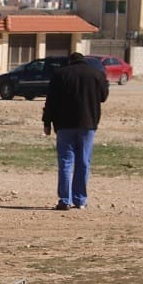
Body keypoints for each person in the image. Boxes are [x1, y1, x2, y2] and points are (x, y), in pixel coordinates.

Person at [41, 52, 108, 211]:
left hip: (64, 125)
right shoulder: (96, 74)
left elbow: (50, 101)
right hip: (87, 124)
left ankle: (65, 200)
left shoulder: (60, 75)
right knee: (83, 162)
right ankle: (80, 199)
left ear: (70, 61)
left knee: (66, 162)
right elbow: (103, 96)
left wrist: (46, 122)